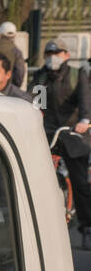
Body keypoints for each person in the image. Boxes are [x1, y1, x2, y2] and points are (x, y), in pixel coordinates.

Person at [31, 38, 91, 246]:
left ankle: (86, 224)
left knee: (80, 181)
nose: (52, 58)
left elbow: (85, 99)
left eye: (56, 54)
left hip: (71, 132)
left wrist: (84, 120)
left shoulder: (76, 75)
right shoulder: (41, 76)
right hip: (47, 132)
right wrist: (35, 117)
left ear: (66, 55)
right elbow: (37, 104)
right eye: (48, 54)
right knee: (34, 176)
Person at [0, 21, 27, 90]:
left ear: (0, 34)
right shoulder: (16, 52)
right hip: (7, 89)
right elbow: (20, 73)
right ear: (14, 36)